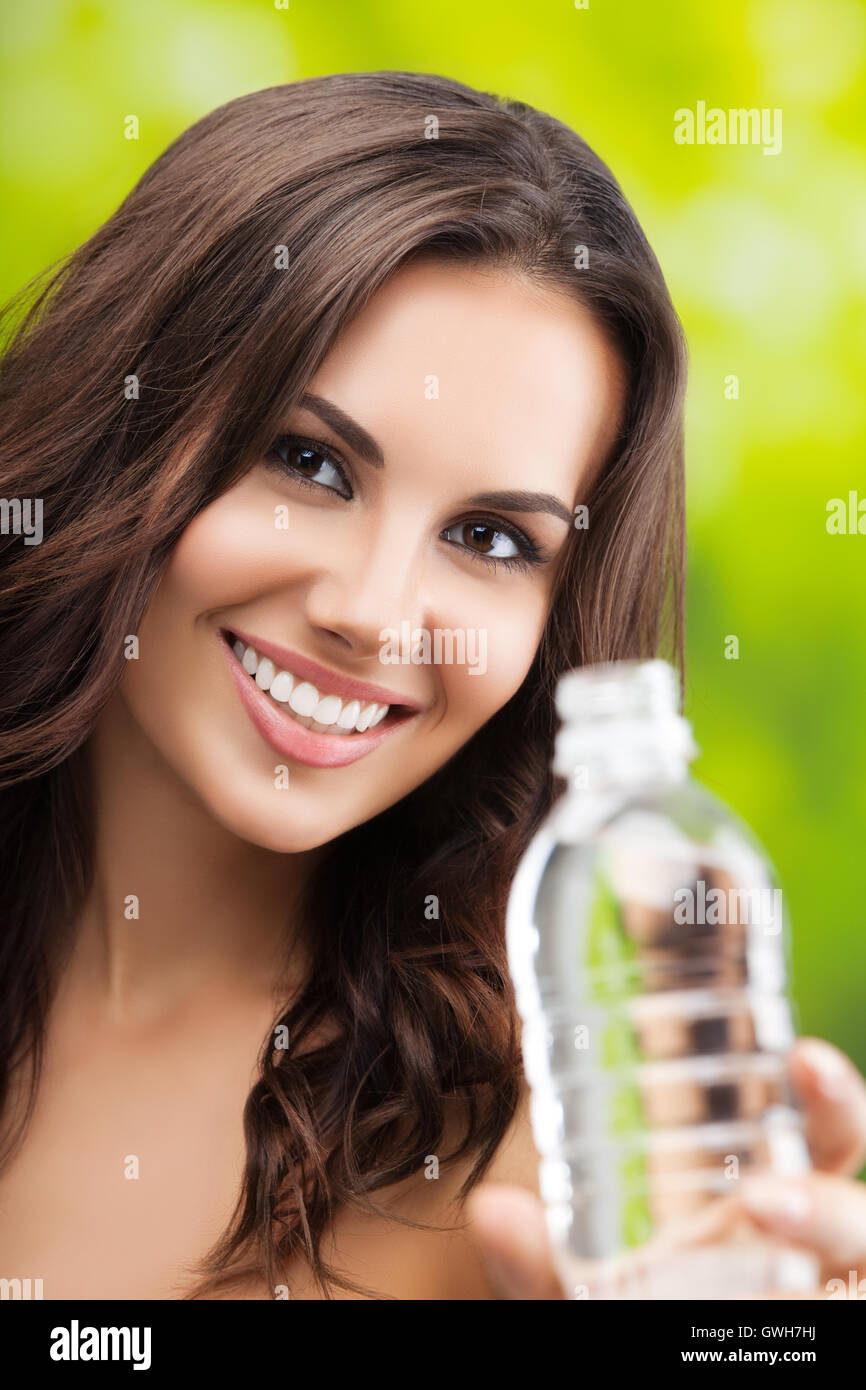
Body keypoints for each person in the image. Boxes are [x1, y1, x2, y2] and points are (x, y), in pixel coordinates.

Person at [1, 71, 864, 1300]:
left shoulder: (550, 1150)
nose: (369, 611)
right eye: (308, 460)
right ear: (127, 428)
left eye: (490, 540)